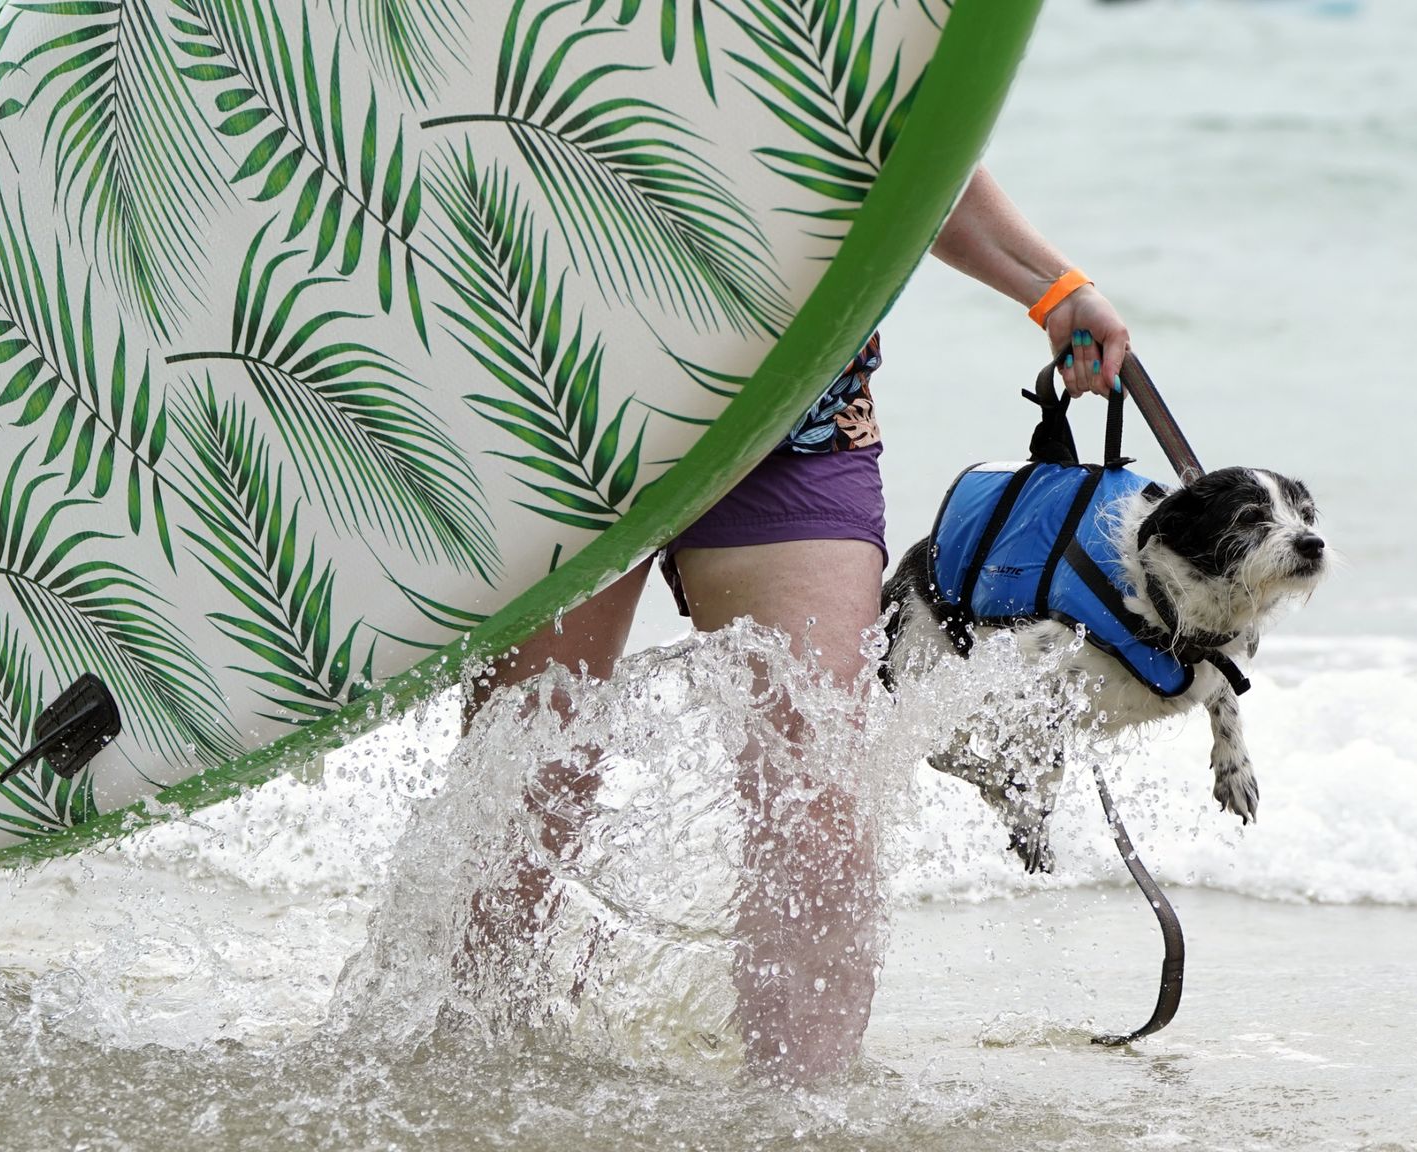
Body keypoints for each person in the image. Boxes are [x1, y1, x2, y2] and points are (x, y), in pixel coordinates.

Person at [462, 164, 1134, 1083]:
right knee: (529, 774)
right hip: (566, 402)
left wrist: (1054, 286)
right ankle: (471, 1080)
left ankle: (796, 1110)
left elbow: (902, 141)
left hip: (800, 421)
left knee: (817, 791)